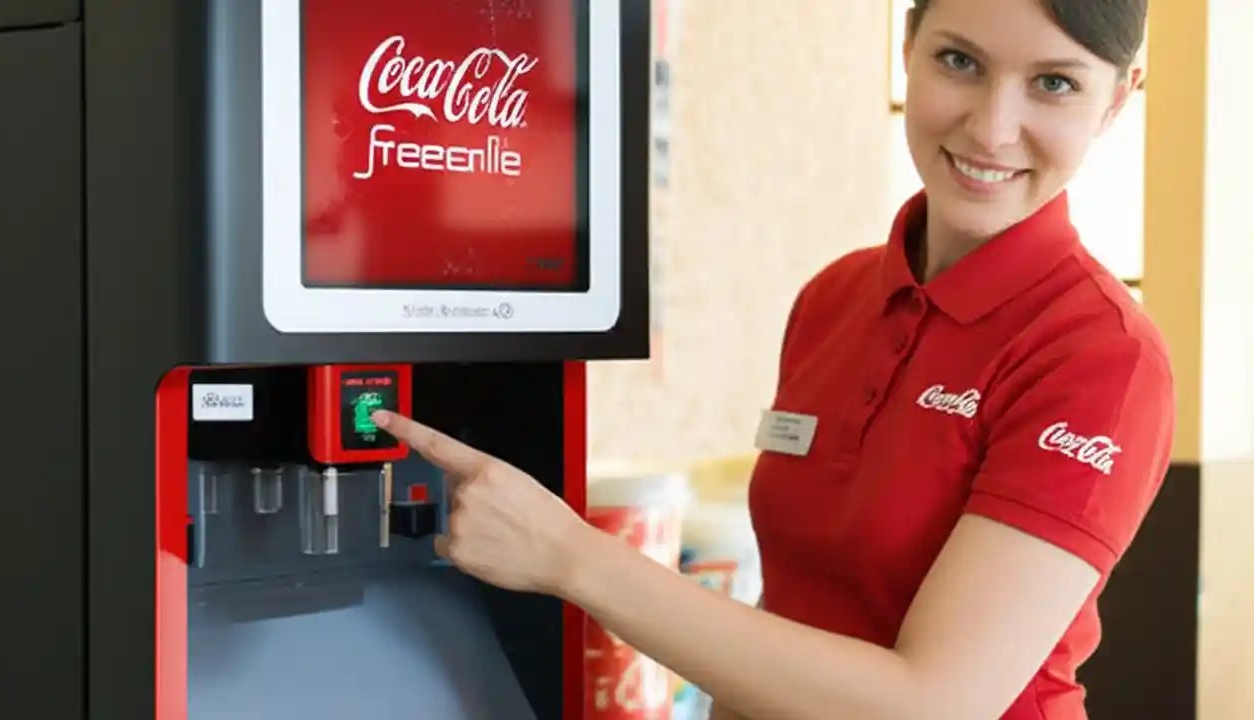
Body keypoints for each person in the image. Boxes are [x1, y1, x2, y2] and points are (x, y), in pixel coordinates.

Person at [369, 0, 1173, 717]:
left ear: (1119, 97)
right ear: (909, 47)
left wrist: (574, 559)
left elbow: (932, 703)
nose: (992, 128)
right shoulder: (837, 298)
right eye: (959, 61)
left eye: (1054, 84)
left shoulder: (1099, 356)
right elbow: (782, 620)